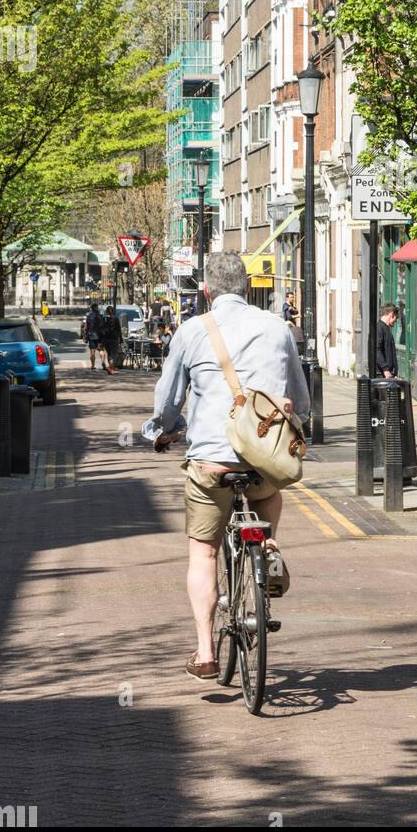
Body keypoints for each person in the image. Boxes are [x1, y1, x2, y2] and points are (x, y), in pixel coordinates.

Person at [143, 251, 310, 681]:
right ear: (248, 286)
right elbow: (303, 402)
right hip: (263, 463)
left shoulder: (191, 331)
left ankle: (204, 651)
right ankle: (268, 544)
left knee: (204, 553)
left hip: (212, 464)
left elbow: (167, 402)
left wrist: (162, 430)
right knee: (269, 489)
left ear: (206, 291)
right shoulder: (278, 328)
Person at [81, 302, 105, 370]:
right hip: (99, 335)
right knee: (101, 350)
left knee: (92, 351)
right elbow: (103, 326)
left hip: (91, 335)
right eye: (97, 307)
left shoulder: (89, 316)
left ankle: (93, 365)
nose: (98, 308)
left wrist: (84, 334)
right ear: (96, 308)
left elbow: (86, 326)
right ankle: (103, 362)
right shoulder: (100, 316)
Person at [378, 304, 399, 379]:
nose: (396, 320)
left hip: (387, 373)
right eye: (396, 317)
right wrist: (385, 369)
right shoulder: (380, 328)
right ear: (392, 314)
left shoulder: (386, 328)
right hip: (382, 374)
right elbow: (377, 350)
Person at [100, 305, 121, 375]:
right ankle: (110, 367)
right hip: (114, 339)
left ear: (106, 312)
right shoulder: (116, 319)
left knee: (109, 354)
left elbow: (100, 329)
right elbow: (119, 330)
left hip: (106, 339)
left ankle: (111, 370)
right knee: (113, 355)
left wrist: (101, 339)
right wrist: (120, 339)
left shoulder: (104, 319)